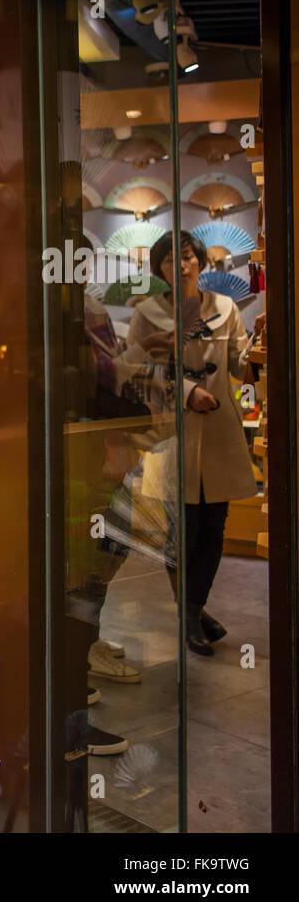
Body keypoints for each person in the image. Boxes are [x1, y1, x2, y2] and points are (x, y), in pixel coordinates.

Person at [126, 231, 260, 656]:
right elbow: (135, 369)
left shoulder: (225, 308)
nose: (179, 266)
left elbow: (240, 365)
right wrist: (186, 392)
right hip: (173, 435)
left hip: (220, 433)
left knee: (214, 529)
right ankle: (189, 616)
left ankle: (193, 609)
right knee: (182, 532)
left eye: (186, 258)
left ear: (200, 262)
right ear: (159, 269)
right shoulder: (146, 313)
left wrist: (258, 341)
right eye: (169, 260)